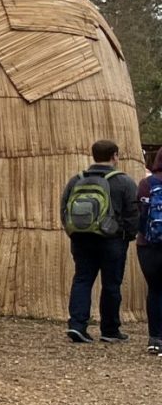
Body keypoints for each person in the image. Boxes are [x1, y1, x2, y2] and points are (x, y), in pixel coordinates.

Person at [61, 139, 139, 344]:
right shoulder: (124, 181)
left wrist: (73, 232)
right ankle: (110, 329)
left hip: (81, 238)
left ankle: (77, 325)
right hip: (112, 240)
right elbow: (132, 213)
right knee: (111, 284)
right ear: (115, 155)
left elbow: (64, 209)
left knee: (82, 279)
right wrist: (128, 236)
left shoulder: (76, 180)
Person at [137, 147, 162, 356]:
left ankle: (155, 339)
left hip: (148, 245)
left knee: (155, 290)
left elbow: (140, 215)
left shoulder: (146, 184)